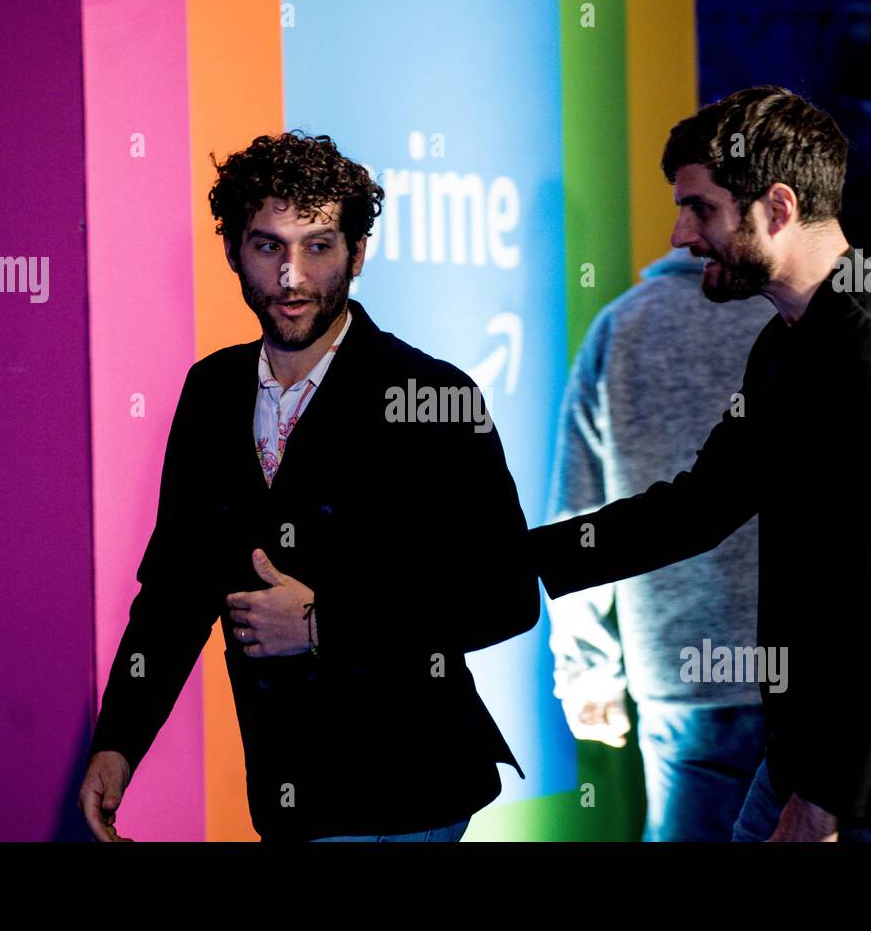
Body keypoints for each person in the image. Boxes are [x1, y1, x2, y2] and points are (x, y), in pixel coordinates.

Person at [528, 86, 871, 842]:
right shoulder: (788, 343)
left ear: (776, 206)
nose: (680, 235)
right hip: (818, 757)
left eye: (700, 209)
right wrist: (503, 561)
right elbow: (697, 507)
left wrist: (828, 798)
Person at [77, 131, 539, 842]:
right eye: (268, 246)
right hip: (289, 791)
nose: (291, 275)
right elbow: (175, 591)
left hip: (409, 785)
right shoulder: (211, 389)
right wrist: (119, 742)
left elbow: (505, 595)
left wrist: (326, 625)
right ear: (234, 251)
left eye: (319, 246)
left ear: (358, 253)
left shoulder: (433, 393)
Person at [545, 246, 772, 840]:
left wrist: (589, 668)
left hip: (676, 666)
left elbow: (579, 508)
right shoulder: (793, 320)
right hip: (811, 669)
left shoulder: (622, 326)